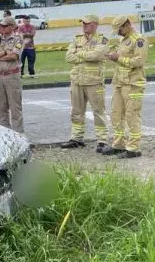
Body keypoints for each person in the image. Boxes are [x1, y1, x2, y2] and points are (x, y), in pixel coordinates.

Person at [101, 15, 148, 158]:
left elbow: (139, 61)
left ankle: (133, 148)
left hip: (133, 83)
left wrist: (118, 58)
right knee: (116, 114)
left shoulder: (139, 40)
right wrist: (112, 56)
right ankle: (118, 144)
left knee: (132, 115)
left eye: (119, 29)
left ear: (127, 24)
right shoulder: (123, 40)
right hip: (119, 83)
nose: (118, 32)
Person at [61, 14, 109, 152]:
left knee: (98, 111)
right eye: (83, 24)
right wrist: (86, 54)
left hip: (94, 82)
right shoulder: (77, 39)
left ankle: (102, 140)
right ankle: (76, 138)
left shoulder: (102, 40)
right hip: (77, 80)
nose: (84, 26)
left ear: (95, 25)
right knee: (76, 111)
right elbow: (68, 57)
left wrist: (80, 53)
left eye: (87, 24)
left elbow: (97, 55)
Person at [0, 17, 24, 132]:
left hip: (12, 76)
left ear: (12, 27)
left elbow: (13, 56)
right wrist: (3, 53)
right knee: (1, 107)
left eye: (5, 26)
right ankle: (5, 133)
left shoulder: (18, 39)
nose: (1, 28)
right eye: (1, 25)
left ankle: (18, 135)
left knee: (15, 107)